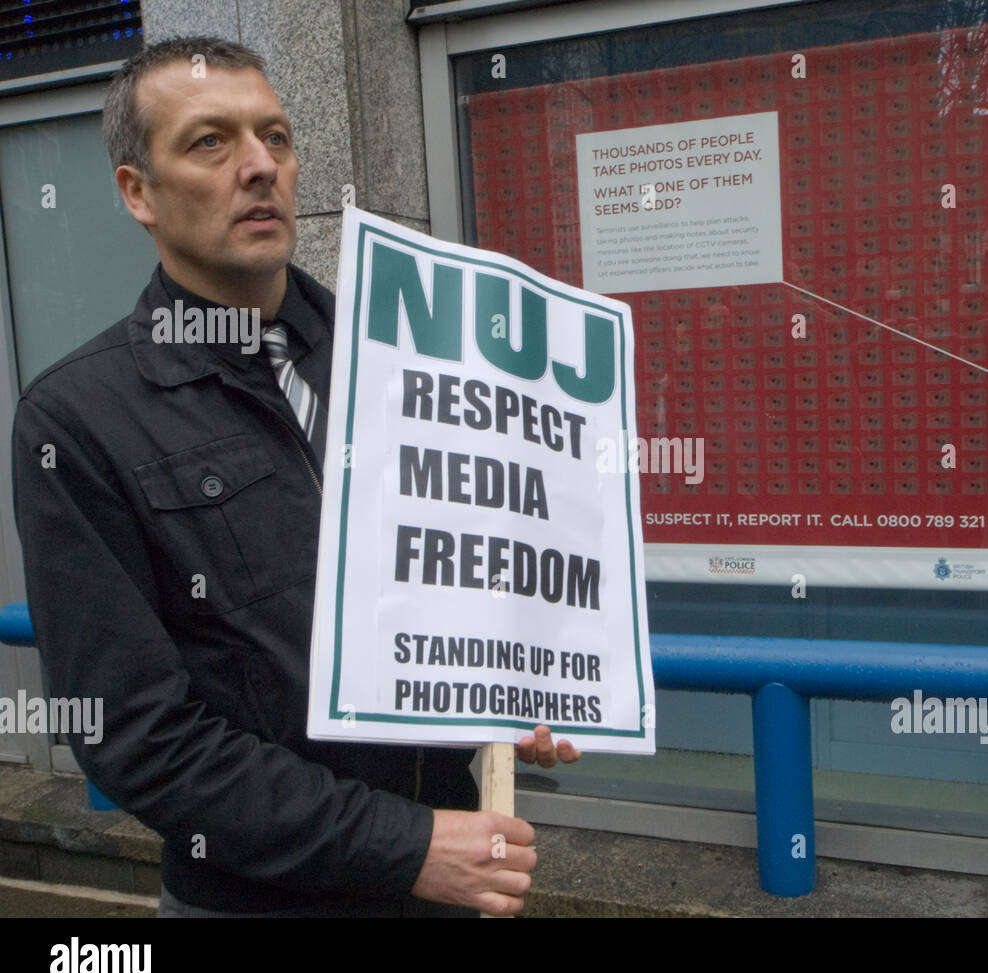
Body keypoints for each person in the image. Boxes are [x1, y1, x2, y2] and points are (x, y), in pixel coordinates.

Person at [10, 36, 576, 917]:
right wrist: (402, 845)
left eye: (275, 136)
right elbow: (135, 736)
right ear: (137, 192)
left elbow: (447, 591)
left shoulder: (404, 363)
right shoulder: (78, 419)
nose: (259, 166)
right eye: (211, 142)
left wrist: (513, 683)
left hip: (458, 877)